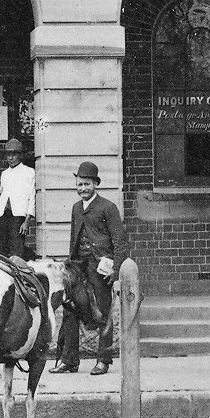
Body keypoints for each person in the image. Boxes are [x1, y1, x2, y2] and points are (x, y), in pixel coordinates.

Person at [54, 160, 126, 375]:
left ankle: (103, 360)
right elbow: (73, 240)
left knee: (103, 312)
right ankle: (69, 360)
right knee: (70, 310)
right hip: (79, 268)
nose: (82, 188)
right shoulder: (76, 208)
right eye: (79, 184)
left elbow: (121, 241)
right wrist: (70, 267)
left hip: (100, 268)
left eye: (86, 184)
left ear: (95, 184)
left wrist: (116, 271)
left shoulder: (107, 207)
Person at [0, 140, 36, 258]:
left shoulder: (29, 172)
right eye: (8, 155)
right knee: (0, 251)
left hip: (17, 217)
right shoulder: (4, 173)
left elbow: (32, 197)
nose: (10, 158)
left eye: (14, 154)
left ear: (20, 155)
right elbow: (3, 192)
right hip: (1, 216)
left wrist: (27, 221)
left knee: (16, 251)